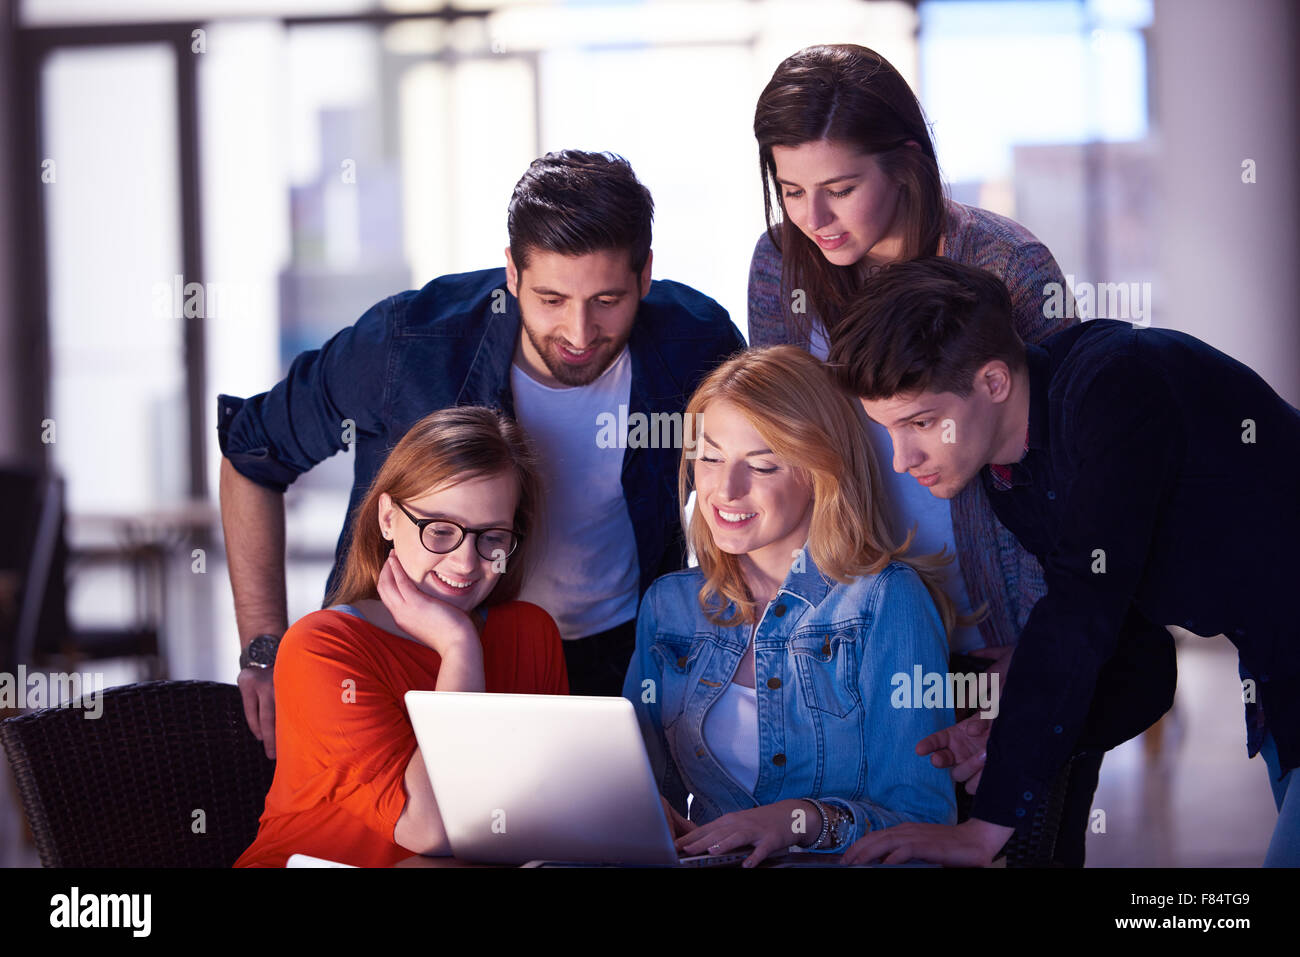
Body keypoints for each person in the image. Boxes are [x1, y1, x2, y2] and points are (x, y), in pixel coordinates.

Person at [219, 150, 745, 737]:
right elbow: (252, 455)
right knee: (411, 822)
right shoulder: (408, 343)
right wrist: (263, 650)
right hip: (415, 644)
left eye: (607, 301)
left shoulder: (696, 341)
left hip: (619, 659)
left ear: (644, 275)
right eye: (550, 300)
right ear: (512, 274)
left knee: (622, 827)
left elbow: (764, 481)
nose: (578, 333)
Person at [746, 42, 1106, 863]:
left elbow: (1068, 469)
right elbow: (792, 444)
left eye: (840, 189)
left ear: (906, 162)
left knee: (1016, 843)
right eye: (792, 189)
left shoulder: (1008, 264)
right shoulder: (781, 266)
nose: (815, 218)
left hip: (1007, 622)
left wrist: (1047, 645)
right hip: (864, 622)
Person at [827, 257, 1300, 867]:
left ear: (994, 382)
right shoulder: (1012, 477)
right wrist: (1012, 737)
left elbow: (1081, 611)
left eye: (920, 423)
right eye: (888, 430)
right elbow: (1137, 660)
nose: (902, 459)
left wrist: (986, 826)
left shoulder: (1117, 385)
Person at [623, 346, 959, 867]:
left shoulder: (886, 600)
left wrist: (799, 821)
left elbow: (924, 819)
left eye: (761, 466)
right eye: (710, 458)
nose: (724, 490)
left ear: (818, 473)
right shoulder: (668, 606)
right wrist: (645, 816)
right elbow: (638, 789)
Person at [235, 407, 567, 868]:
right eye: (441, 531)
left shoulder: (529, 633)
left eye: (492, 536)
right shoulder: (322, 647)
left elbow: (545, 808)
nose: (466, 563)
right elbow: (431, 827)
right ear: (388, 518)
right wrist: (457, 648)